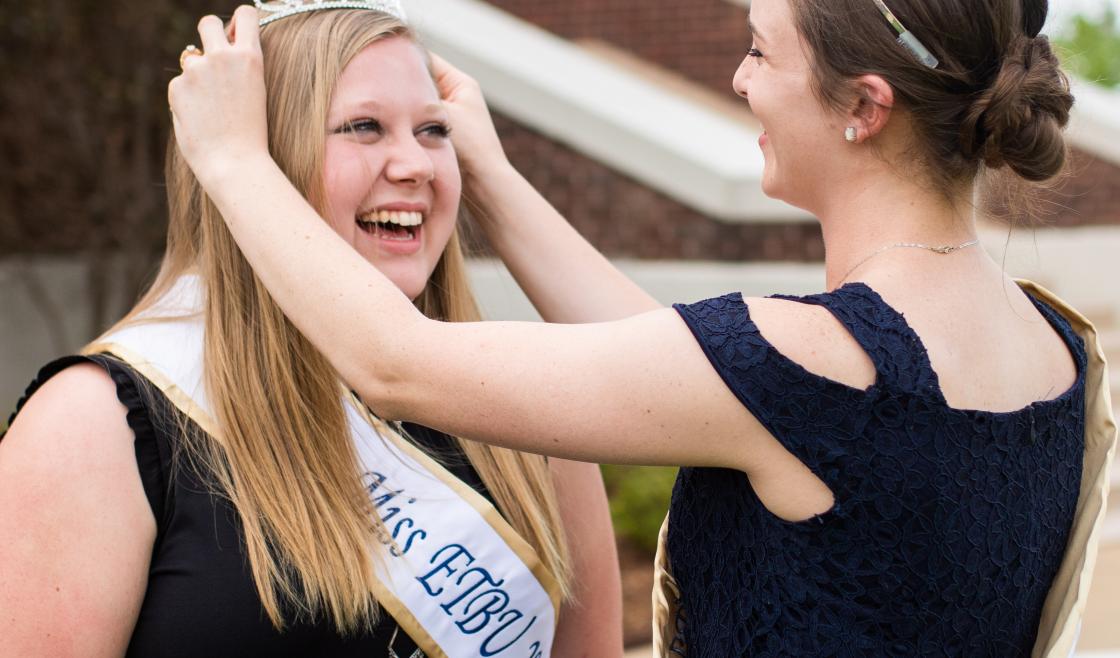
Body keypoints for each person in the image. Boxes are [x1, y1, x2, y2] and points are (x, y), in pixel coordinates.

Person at [167, 0, 1116, 655]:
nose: (741, 80)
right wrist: (485, 170)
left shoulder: (813, 364)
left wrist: (232, 158)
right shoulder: (1054, 344)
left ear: (863, 107)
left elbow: (396, 363)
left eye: (760, 51)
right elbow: (688, 363)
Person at [0, 4, 622, 657]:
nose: (415, 165)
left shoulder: (532, 422)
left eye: (434, 130)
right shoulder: (92, 427)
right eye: (363, 127)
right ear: (248, 152)